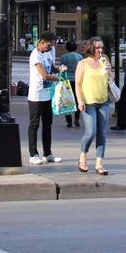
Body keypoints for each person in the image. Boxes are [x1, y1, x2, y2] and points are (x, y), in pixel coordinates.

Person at [74, 36, 112, 175]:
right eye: (97, 47)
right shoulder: (83, 63)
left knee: (102, 133)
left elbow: (111, 79)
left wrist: (108, 69)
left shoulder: (104, 60)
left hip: (104, 101)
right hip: (88, 102)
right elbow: (78, 84)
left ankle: (99, 163)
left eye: (101, 47)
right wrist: (80, 100)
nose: (100, 50)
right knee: (91, 132)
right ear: (90, 48)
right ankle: (83, 155)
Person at [27, 31, 63, 165]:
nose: (51, 47)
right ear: (41, 42)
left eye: (52, 45)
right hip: (36, 95)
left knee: (48, 124)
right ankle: (33, 154)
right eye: (49, 44)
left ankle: (47, 153)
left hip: (47, 94)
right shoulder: (35, 55)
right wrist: (59, 78)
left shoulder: (49, 52)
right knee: (34, 124)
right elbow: (44, 75)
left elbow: (52, 68)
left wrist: (59, 69)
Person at [60, 40, 82, 128]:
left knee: (67, 100)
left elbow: (62, 68)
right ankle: (77, 119)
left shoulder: (64, 57)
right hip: (77, 79)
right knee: (77, 99)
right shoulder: (80, 56)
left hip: (67, 80)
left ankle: (69, 121)